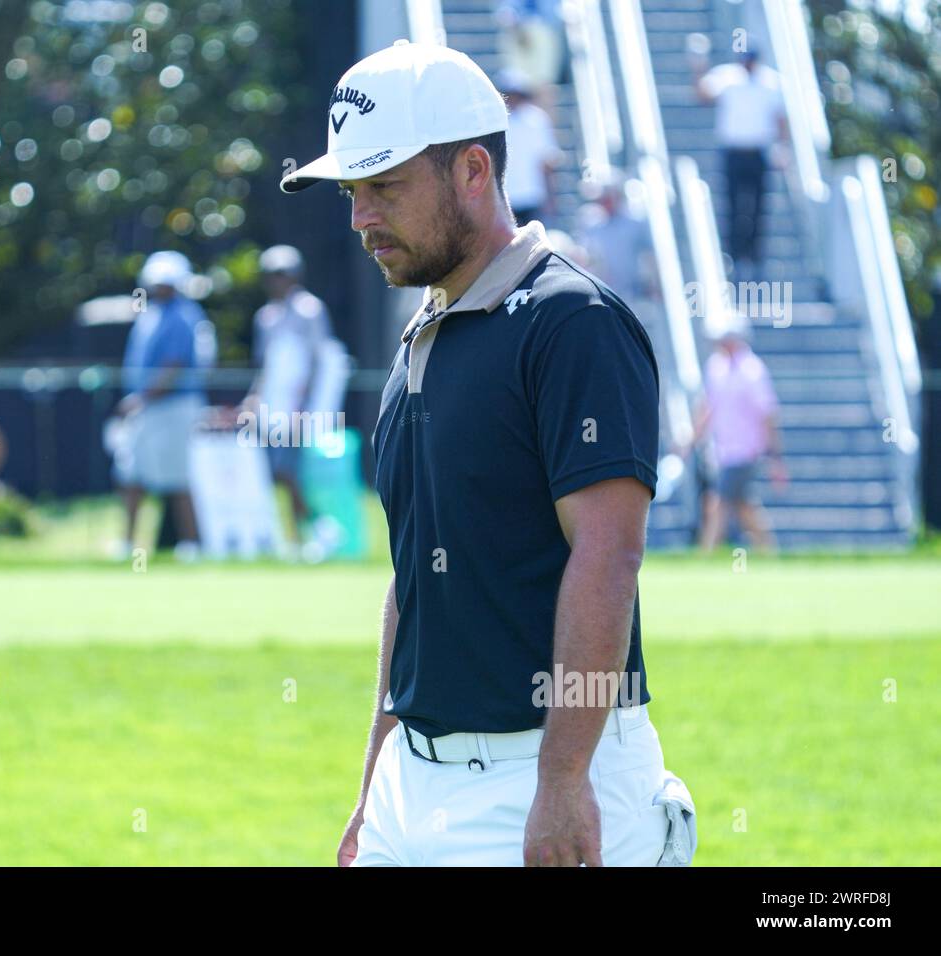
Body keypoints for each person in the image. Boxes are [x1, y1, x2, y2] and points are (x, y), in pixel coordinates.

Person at [281, 40, 694, 867]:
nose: (362, 215)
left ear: (474, 169)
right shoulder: (420, 336)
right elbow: (415, 575)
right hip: (417, 782)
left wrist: (566, 775)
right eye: (353, 191)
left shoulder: (572, 321)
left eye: (385, 186)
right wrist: (375, 786)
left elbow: (609, 554)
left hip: (544, 774)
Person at [112, 250, 207, 562]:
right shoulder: (150, 315)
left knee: (179, 478)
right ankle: (127, 544)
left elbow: (174, 366)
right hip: (148, 410)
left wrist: (142, 397)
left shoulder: (183, 316)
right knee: (131, 476)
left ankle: (191, 545)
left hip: (175, 408)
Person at [241, 245, 334, 543]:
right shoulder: (265, 317)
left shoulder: (310, 310)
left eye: (281, 274)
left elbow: (317, 363)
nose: (275, 280)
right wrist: (253, 399)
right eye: (270, 275)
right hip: (271, 408)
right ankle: (294, 539)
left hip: (299, 409)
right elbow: (265, 367)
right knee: (273, 473)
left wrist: (305, 407)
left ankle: (315, 532)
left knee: (290, 473)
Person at [684, 323, 787, 553]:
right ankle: (769, 552)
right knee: (743, 507)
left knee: (718, 504)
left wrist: (775, 458)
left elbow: (767, 414)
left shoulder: (752, 370)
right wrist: (692, 439)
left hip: (746, 451)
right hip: (723, 452)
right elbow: (707, 408)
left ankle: (705, 557)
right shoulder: (716, 366)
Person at [693, 46, 789, 280]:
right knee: (733, 205)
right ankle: (734, 257)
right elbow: (704, 95)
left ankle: (754, 258)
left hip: (759, 152)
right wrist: (698, 68)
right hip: (733, 152)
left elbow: (780, 119)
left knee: (758, 207)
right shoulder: (727, 76)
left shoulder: (771, 81)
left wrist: (783, 148)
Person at [493, 69, 561, 229]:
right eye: (508, 93)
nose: (513, 98)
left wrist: (551, 196)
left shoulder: (537, 119)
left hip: (534, 197)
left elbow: (547, 161)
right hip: (505, 199)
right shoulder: (494, 120)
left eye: (517, 93)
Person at [576, 174, 657, 305]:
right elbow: (586, 257)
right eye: (602, 199)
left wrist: (653, 283)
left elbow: (649, 254)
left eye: (608, 198)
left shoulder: (635, 222)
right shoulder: (591, 224)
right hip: (604, 290)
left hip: (636, 290)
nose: (604, 203)